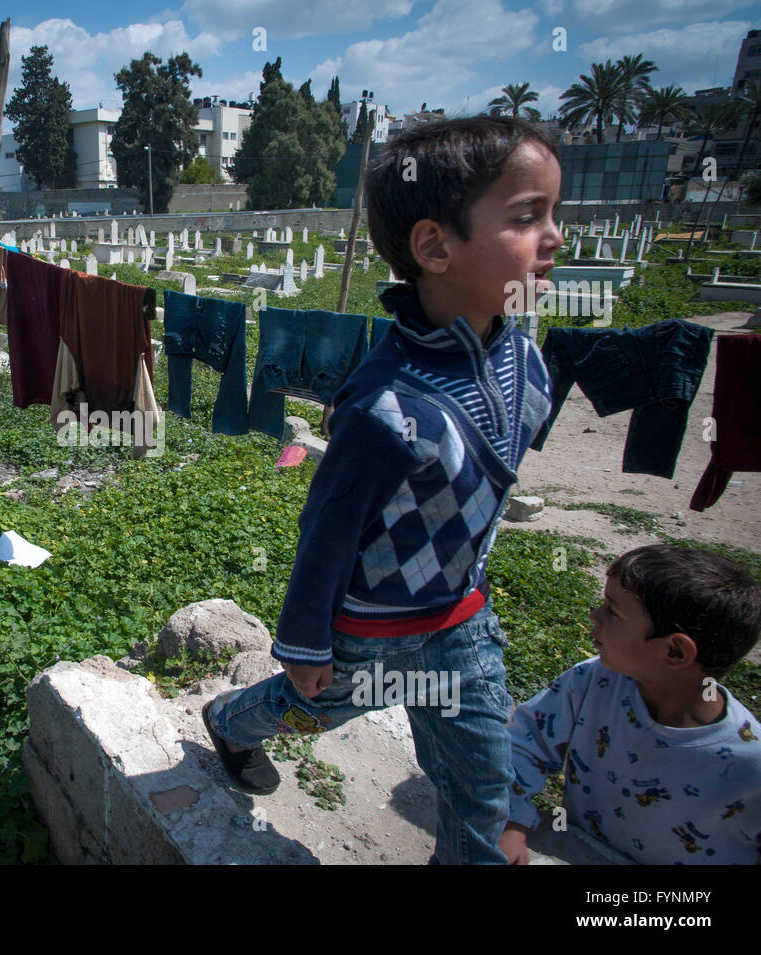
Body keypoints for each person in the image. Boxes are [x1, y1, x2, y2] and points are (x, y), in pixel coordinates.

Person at [202, 115, 563, 864]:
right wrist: (304, 642)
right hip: (372, 634)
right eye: (529, 216)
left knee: (482, 786)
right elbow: (327, 529)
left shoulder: (523, 359)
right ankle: (231, 720)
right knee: (303, 709)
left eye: (554, 213)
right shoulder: (385, 406)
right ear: (435, 246)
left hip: (464, 626)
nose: (554, 235)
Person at [500, 544, 761, 865]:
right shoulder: (592, 682)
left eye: (613, 611)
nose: (594, 615)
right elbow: (525, 744)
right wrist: (511, 821)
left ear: (675, 652)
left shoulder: (751, 763)